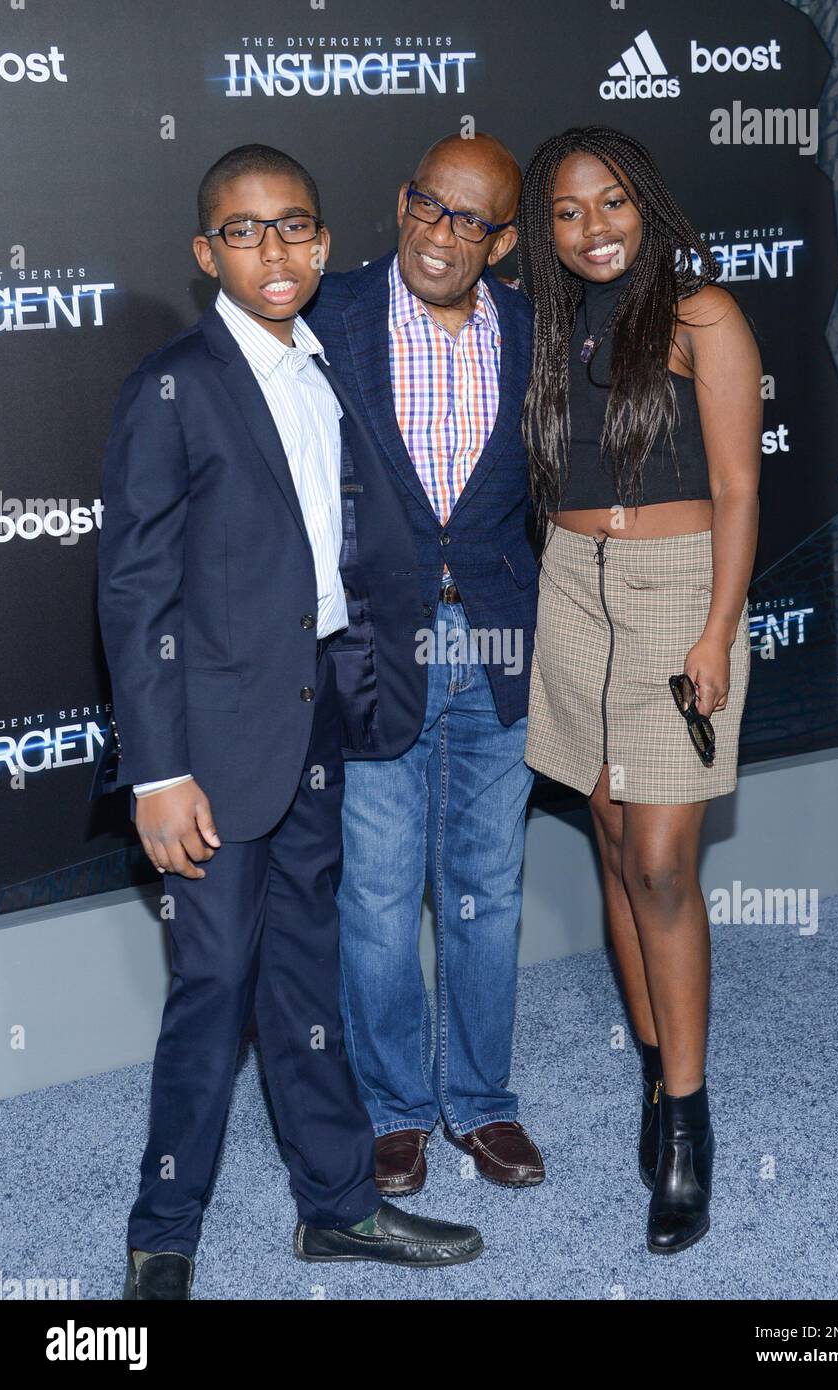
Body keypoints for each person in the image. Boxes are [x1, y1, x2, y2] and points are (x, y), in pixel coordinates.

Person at [92, 143, 484, 1299]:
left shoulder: (327, 371)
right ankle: (164, 1233)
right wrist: (157, 772)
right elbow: (135, 595)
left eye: (296, 225)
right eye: (245, 229)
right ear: (206, 251)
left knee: (306, 979)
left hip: (315, 721)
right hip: (208, 746)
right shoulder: (171, 387)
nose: (275, 249)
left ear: (324, 241)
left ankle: (339, 1206)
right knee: (214, 986)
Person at [517, 126, 761, 1253]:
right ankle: (657, 1079)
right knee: (615, 848)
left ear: (646, 202)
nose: (593, 228)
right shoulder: (549, 322)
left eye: (611, 201)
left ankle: (690, 1122)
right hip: (573, 587)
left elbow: (737, 487)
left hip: (679, 593)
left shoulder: (703, 315)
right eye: (567, 211)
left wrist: (716, 629)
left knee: (661, 862)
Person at [304, 133, 544, 1195]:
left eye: (471, 220)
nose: (442, 234)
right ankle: (394, 1108)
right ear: (404, 200)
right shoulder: (329, 314)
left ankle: (483, 1104)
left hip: (503, 640)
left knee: (489, 886)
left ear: (504, 240)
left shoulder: (534, 332)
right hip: (373, 645)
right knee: (377, 894)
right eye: (429, 206)